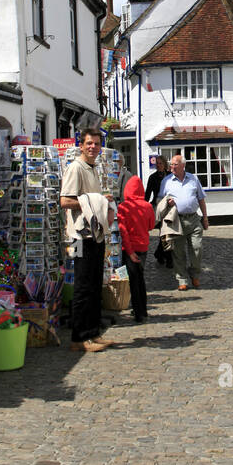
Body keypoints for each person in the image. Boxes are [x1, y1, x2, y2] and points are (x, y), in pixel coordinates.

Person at [60, 127, 116, 353]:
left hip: (95, 235)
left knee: (94, 285)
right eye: (88, 143)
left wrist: (103, 201)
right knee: (83, 287)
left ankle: (93, 333)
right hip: (79, 237)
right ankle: (78, 338)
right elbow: (65, 201)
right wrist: (97, 200)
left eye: (96, 143)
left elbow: (91, 201)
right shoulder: (76, 168)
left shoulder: (93, 168)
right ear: (81, 146)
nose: (93, 147)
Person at [158, 153, 209, 291]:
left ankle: (195, 273)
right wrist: (166, 202)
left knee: (197, 248)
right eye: (171, 164)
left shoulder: (193, 179)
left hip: (193, 219)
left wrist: (205, 217)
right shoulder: (166, 181)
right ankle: (182, 279)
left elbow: (201, 199)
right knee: (178, 252)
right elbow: (159, 201)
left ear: (183, 165)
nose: (172, 167)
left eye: (175, 164)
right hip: (176, 220)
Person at [117, 176, 155, 323]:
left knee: (133, 280)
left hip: (130, 247)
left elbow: (123, 231)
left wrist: (129, 251)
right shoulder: (147, 206)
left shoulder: (123, 207)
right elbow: (151, 226)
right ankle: (143, 309)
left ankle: (138, 312)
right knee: (141, 278)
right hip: (143, 246)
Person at [145, 156, 173, 268]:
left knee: (169, 232)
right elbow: (147, 194)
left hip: (170, 207)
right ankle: (168, 258)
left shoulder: (171, 176)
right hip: (159, 207)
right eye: (157, 163)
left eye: (160, 163)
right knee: (164, 232)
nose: (158, 165)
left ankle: (159, 253)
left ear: (165, 164)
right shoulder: (152, 177)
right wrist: (143, 207)